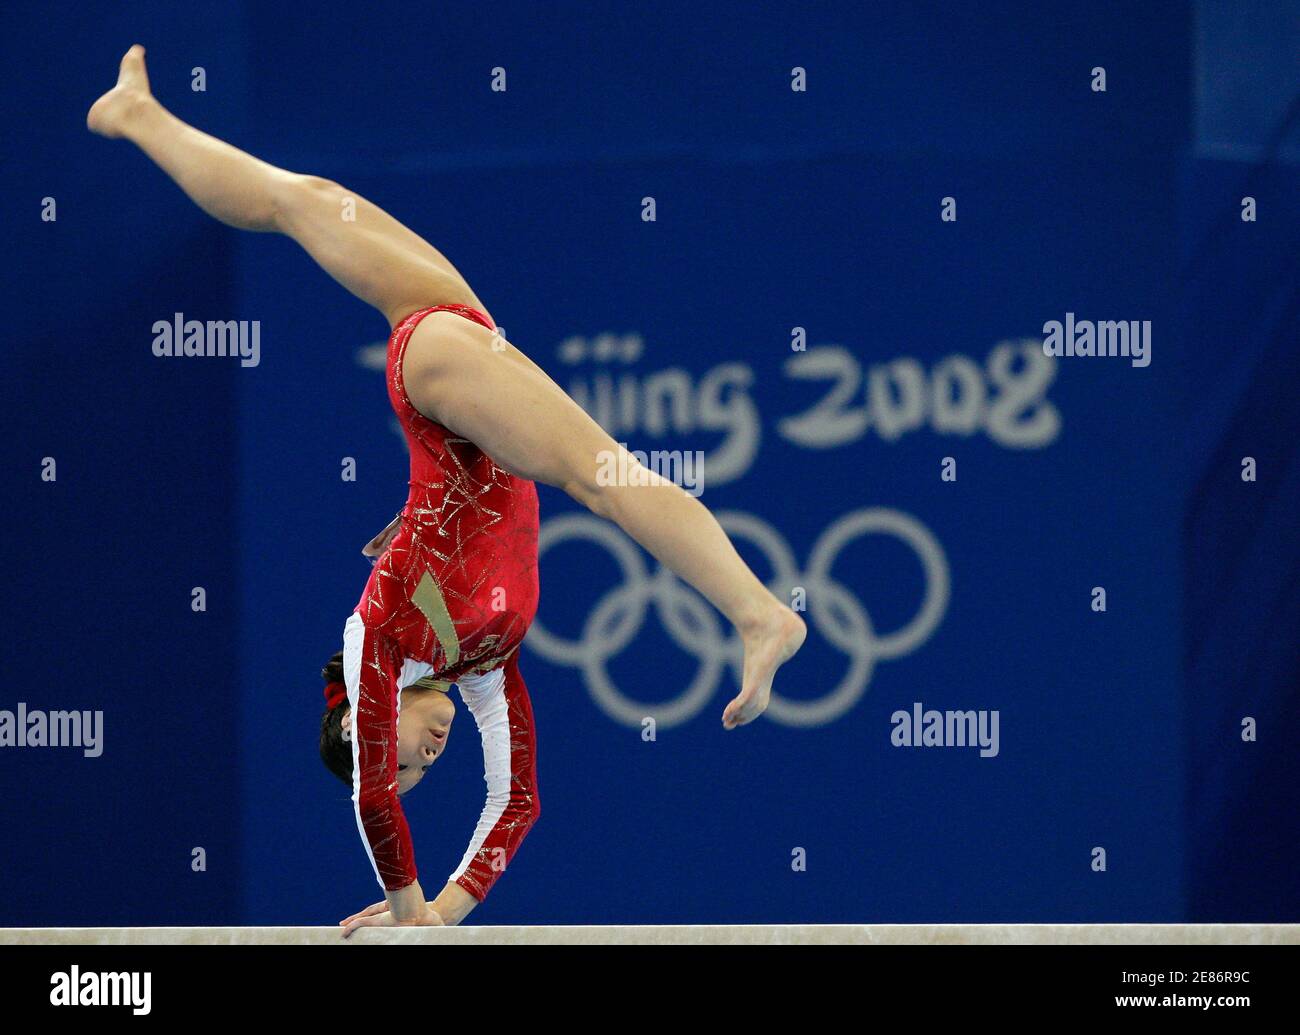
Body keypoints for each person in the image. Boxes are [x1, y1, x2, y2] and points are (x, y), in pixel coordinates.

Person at [89, 45, 807, 932]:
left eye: (403, 759)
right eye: (431, 769)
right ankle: (136, 115)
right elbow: (518, 803)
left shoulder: (382, 645)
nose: (425, 760)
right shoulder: (485, 667)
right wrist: (443, 916)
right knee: (301, 203)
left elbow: (374, 803)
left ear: (363, 721)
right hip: (450, 377)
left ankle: (758, 614)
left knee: (602, 475)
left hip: (439, 365)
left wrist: (403, 902)